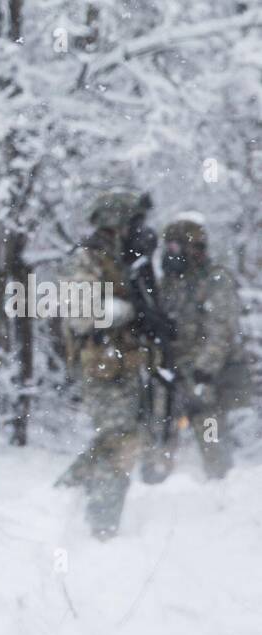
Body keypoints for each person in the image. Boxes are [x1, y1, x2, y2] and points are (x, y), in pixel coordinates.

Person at [57, 190, 165, 539]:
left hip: (127, 367)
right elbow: (79, 315)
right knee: (120, 440)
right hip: (103, 367)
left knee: (124, 438)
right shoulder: (88, 258)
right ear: (116, 222)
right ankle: (100, 524)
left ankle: (66, 494)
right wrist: (129, 311)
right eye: (133, 221)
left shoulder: (128, 261)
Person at [157, 215, 252, 480]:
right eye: (169, 248)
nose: (170, 254)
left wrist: (204, 368)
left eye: (176, 247)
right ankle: (156, 484)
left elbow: (221, 329)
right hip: (176, 369)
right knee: (159, 428)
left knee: (209, 425)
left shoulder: (215, 279)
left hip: (208, 372)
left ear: (194, 249)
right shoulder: (171, 282)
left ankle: (220, 481)